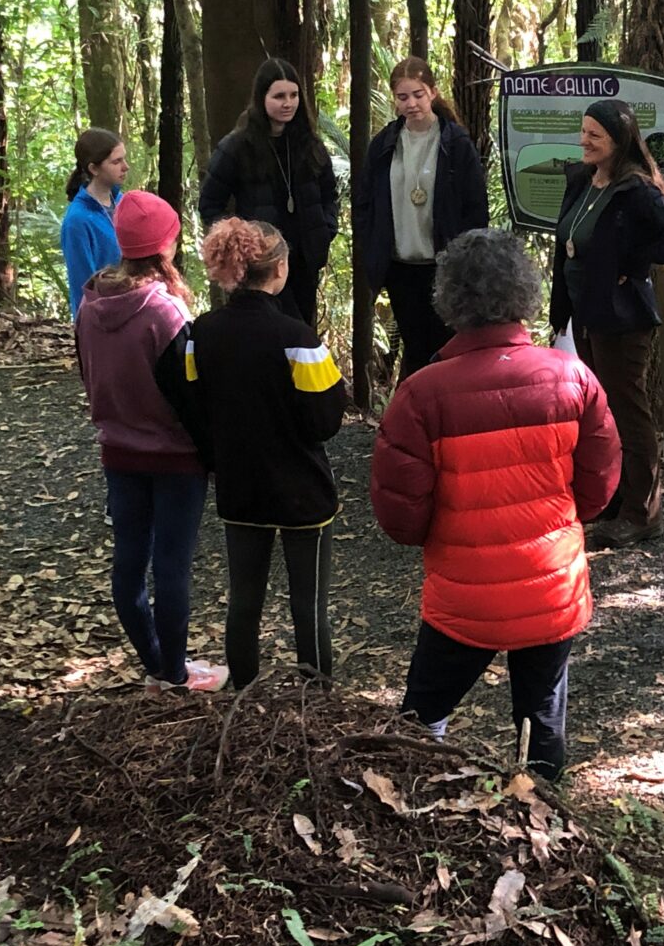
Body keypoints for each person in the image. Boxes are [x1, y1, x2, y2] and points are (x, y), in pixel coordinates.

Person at [372, 229, 619, 781]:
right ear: (524, 293)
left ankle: (408, 803)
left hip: (465, 593)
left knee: (423, 712)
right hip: (551, 584)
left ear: (448, 299)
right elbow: (599, 489)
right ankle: (543, 822)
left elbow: (401, 515)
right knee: (543, 715)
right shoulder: (573, 378)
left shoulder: (420, 394)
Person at [172, 217, 348, 690]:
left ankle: (243, 697)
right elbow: (326, 420)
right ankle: (319, 698)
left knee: (243, 601)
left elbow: (192, 403)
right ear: (281, 268)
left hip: (239, 487)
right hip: (302, 494)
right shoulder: (298, 340)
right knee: (308, 605)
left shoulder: (200, 334)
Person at [74, 191, 225, 692]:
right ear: (166, 245)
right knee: (171, 567)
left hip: (118, 451)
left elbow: (86, 373)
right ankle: (176, 673)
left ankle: (156, 664)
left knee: (130, 560)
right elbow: (193, 391)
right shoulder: (166, 313)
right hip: (175, 457)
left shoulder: (91, 302)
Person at [547, 100, 664, 549]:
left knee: (628, 413)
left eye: (595, 135)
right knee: (603, 413)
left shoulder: (636, 190)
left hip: (623, 318)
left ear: (619, 142)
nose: (585, 141)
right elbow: (567, 248)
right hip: (586, 313)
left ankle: (643, 513)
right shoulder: (580, 180)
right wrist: (561, 313)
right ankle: (616, 499)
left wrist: (634, 261)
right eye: (583, 132)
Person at [354, 57, 489, 380]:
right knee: (415, 346)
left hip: (444, 266)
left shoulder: (455, 144)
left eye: (418, 94)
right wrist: (372, 247)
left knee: (444, 348)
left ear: (432, 93)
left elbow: (475, 208)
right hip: (400, 267)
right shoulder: (384, 145)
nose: (411, 103)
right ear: (394, 100)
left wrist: (464, 258)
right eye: (403, 97)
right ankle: (414, 421)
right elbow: (364, 203)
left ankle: (441, 419)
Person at [199, 59, 339, 327]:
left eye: (294, 95)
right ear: (262, 98)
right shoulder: (237, 146)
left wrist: (325, 229)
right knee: (265, 333)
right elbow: (210, 204)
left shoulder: (310, 144)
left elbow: (329, 195)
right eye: (279, 96)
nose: (288, 103)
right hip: (259, 267)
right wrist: (240, 245)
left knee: (301, 335)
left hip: (304, 261)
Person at [60, 127, 127, 319]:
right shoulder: (77, 221)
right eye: (116, 161)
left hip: (130, 313)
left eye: (124, 158)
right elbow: (83, 286)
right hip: (100, 323)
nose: (125, 166)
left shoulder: (123, 203)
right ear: (94, 168)